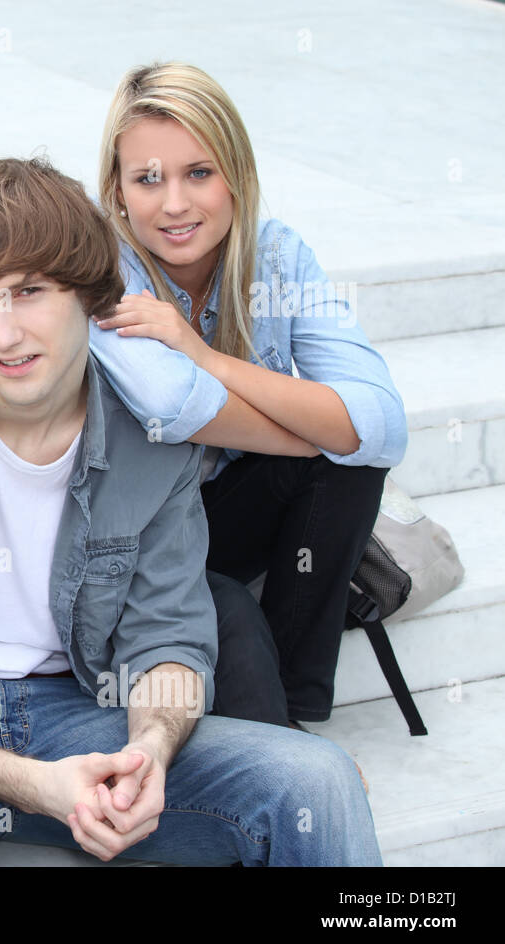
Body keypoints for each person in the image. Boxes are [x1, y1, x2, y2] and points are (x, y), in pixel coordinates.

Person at [0, 156, 381, 866]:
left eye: (30, 292)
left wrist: (147, 750)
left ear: (90, 296)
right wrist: (33, 785)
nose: (3, 334)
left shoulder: (155, 440)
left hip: (79, 715)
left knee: (318, 781)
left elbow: (167, 640)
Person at [90, 62, 406, 725]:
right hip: (138, 536)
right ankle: (284, 744)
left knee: (350, 464)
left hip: (227, 514)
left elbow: (381, 424)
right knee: (233, 605)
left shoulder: (277, 257)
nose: (175, 204)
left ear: (237, 174)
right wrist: (310, 431)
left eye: (198, 173)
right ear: (117, 192)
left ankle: (299, 705)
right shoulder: (101, 265)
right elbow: (171, 406)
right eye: (148, 179)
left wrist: (206, 355)